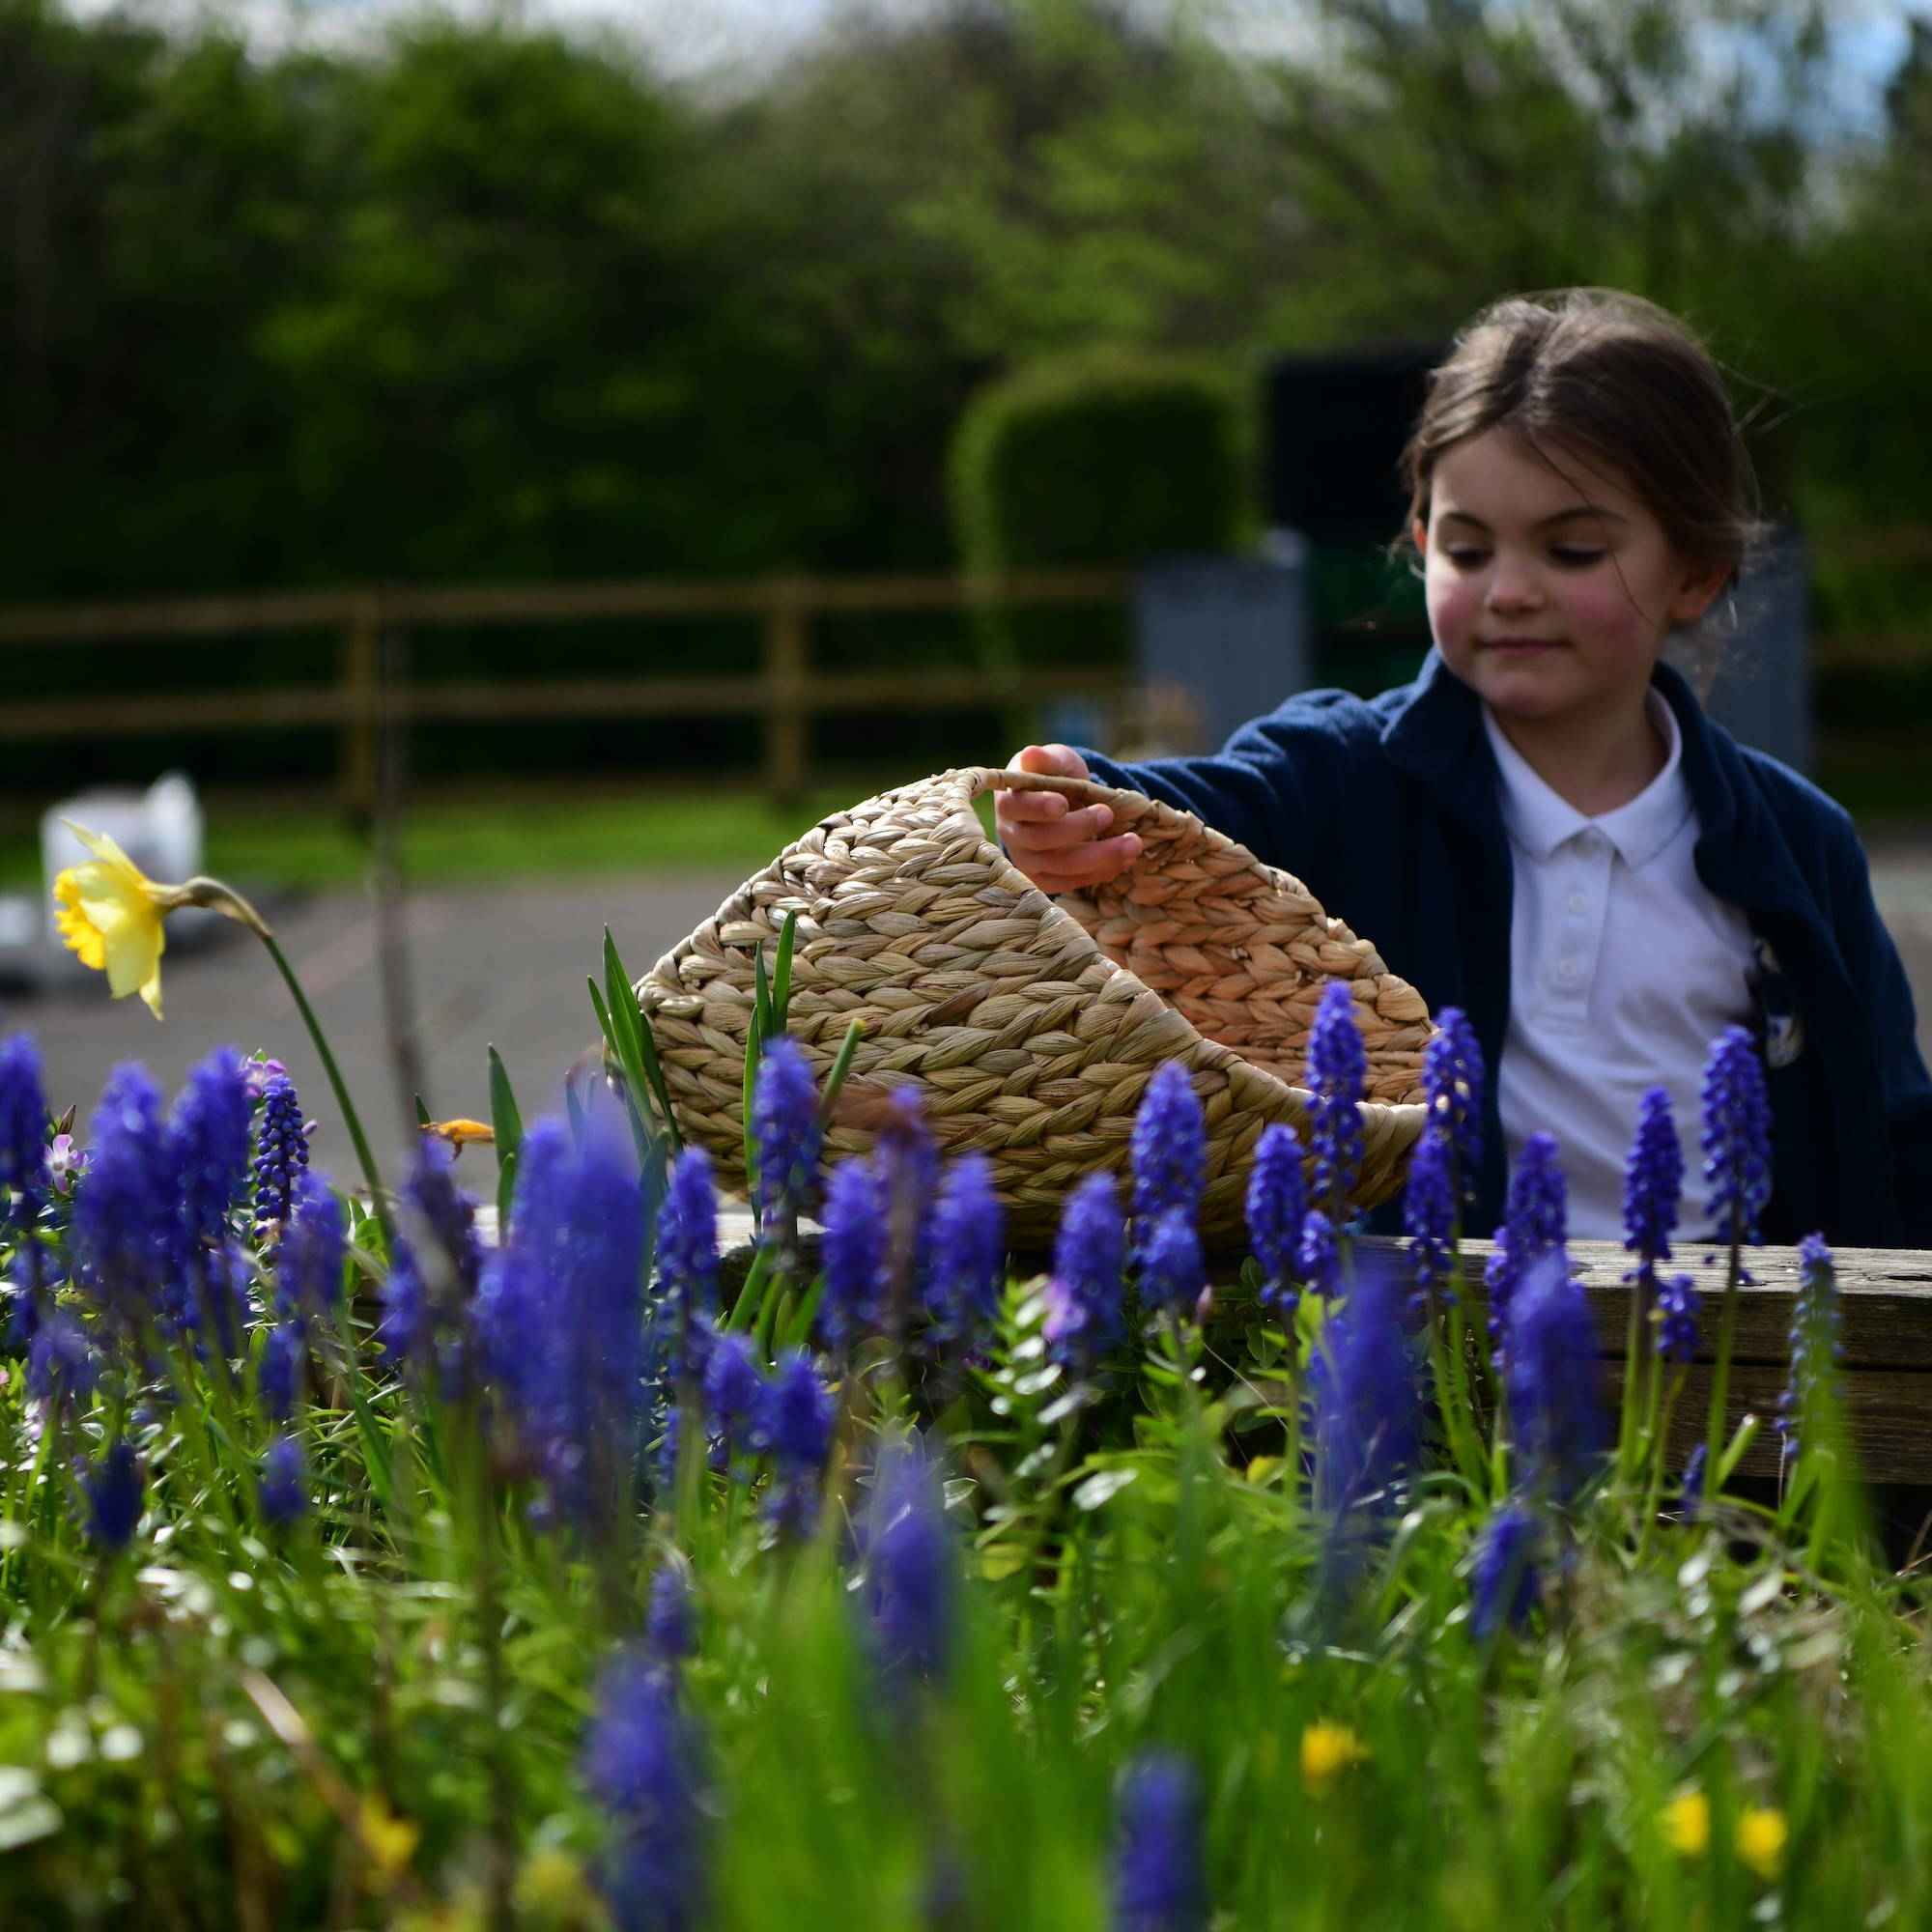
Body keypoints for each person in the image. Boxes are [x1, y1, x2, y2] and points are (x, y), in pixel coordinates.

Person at [997, 289, 1932, 1245]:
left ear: (1694, 571)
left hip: (1715, 1366)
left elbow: (1893, 1135)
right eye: (1467, 547)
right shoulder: (1350, 771)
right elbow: (1219, 804)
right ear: (1419, 545)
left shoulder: (1795, 839)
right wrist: (1083, 788)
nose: (1510, 591)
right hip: (1430, 1366)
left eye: (1570, 550)